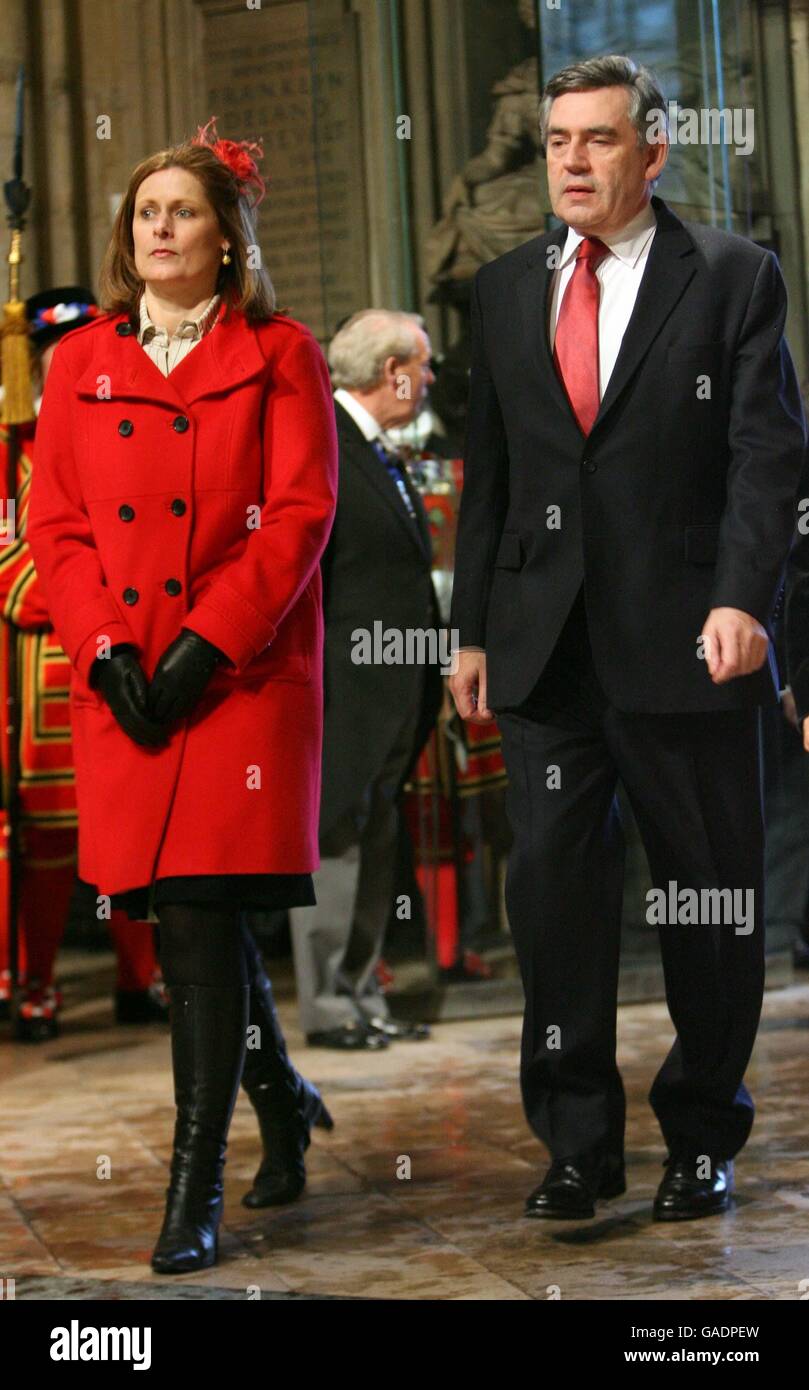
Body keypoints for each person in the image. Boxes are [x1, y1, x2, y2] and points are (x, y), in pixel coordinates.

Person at [449, 56, 806, 1222]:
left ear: (651, 152)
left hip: (688, 643)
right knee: (551, 904)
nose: (569, 160)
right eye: (556, 140)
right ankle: (574, 1144)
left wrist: (744, 597)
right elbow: (490, 475)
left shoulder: (730, 278)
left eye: (596, 140)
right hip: (545, 652)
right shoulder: (503, 291)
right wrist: (467, 635)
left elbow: (765, 453)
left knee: (704, 901)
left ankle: (701, 1133)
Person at [27, 118, 338, 1273]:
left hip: (237, 680)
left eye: (184, 211)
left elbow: (300, 514)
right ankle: (287, 1097)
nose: (159, 227)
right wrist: (104, 646)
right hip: (124, 681)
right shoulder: (79, 363)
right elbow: (53, 524)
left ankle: (190, 1190)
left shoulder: (281, 352)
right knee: (193, 925)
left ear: (226, 241)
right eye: (146, 210)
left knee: (202, 920)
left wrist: (205, 647)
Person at [0, 287, 168, 1039]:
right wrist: (86, 598)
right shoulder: (9, 449)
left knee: (133, 821)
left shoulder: (127, 429)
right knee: (47, 836)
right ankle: (34, 985)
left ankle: (143, 976)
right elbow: (10, 570)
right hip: (36, 672)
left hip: (127, 651)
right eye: (52, 356)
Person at [290, 310, 442, 1048]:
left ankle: (357, 995)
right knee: (335, 841)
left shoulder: (376, 450)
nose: (432, 377)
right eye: (425, 363)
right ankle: (325, 1007)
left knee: (375, 838)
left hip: (393, 690)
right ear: (392, 372)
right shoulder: (325, 445)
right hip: (345, 690)